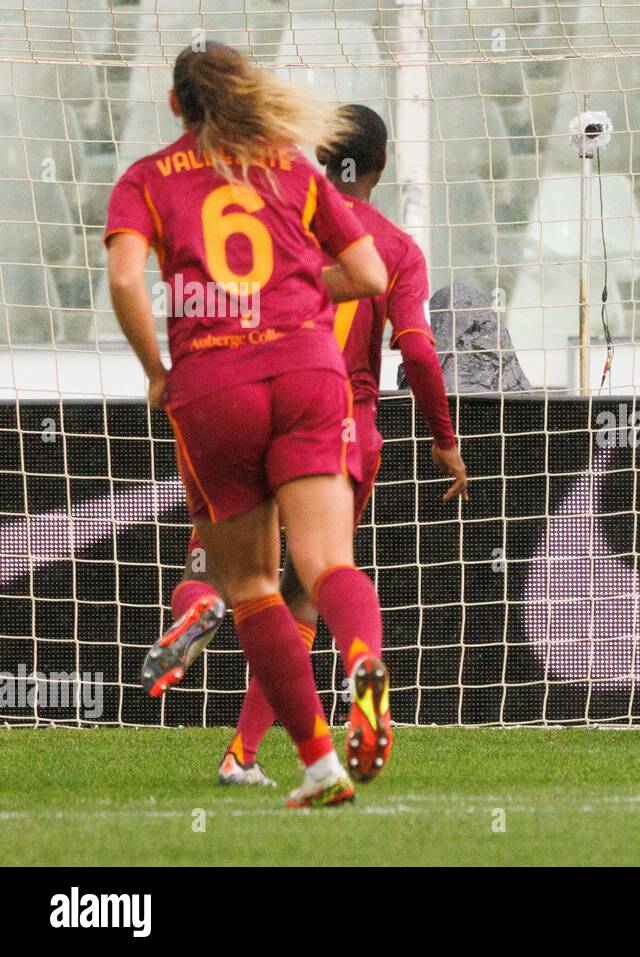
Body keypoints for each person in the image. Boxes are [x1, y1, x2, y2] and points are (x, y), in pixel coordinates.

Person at [142, 104, 468, 787]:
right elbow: (419, 352)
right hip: (338, 421)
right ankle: (331, 691)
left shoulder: (283, 219)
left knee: (233, 567)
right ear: (380, 167)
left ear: (323, 158)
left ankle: (205, 628)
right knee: (308, 586)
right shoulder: (396, 249)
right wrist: (445, 440)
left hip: (248, 395)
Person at [107, 42, 391, 807]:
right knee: (329, 561)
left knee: (254, 583)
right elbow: (369, 275)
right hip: (306, 371)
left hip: (213, 386)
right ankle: (364, 657)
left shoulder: (145, 178)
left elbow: (126, 277)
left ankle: (320, 766)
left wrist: (156, 371)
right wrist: (290, 291)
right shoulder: (291, 165)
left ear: (175, 107)